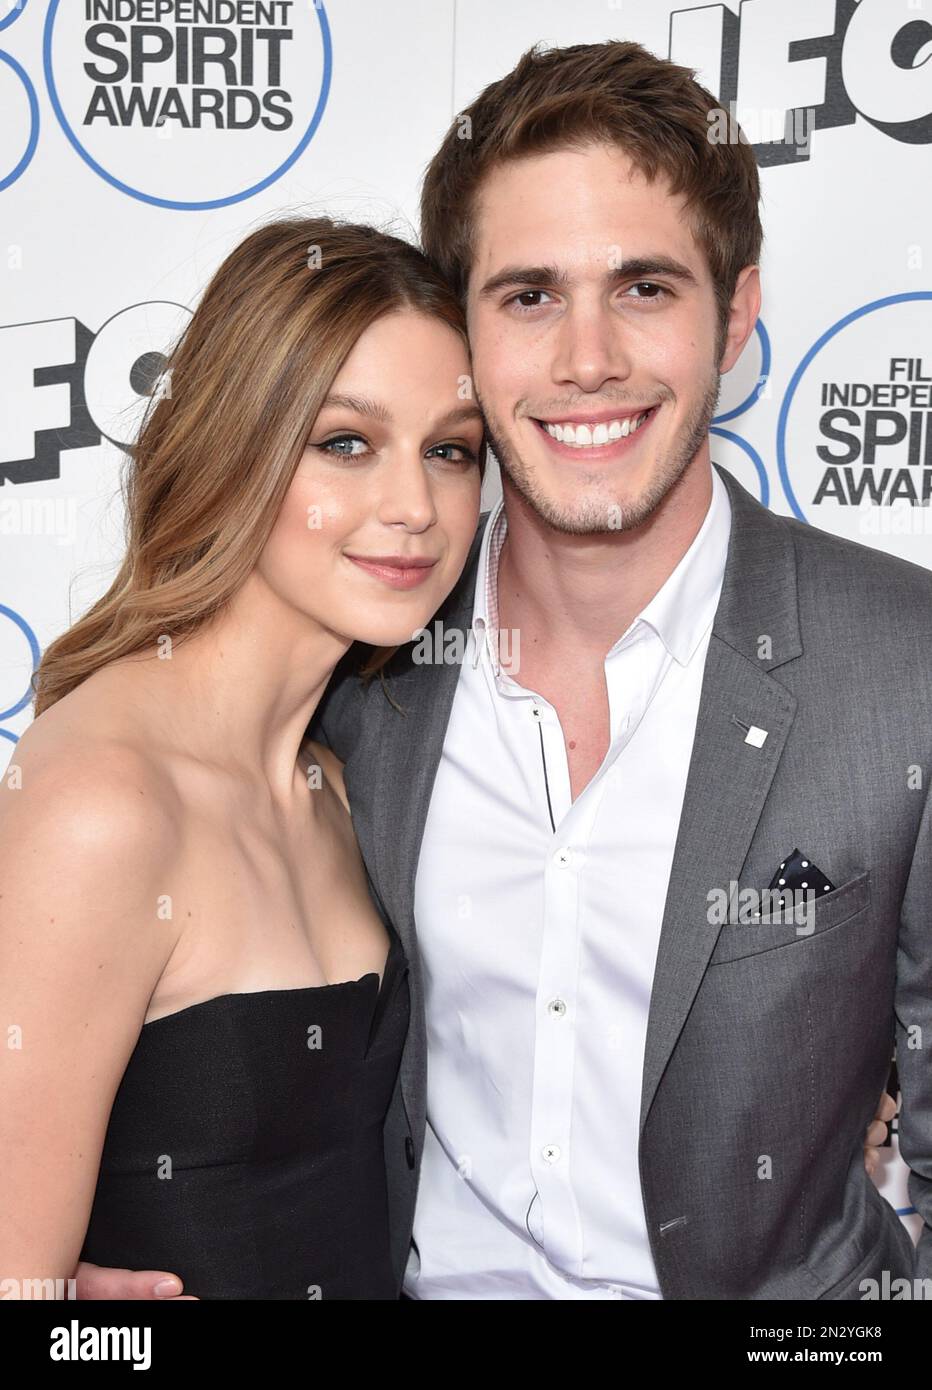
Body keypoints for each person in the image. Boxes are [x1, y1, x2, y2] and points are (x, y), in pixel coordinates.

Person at [72, 41, 909, 1302]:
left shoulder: (901, 663)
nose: (585, 360)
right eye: (526, 295)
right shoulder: (356, 654)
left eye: (641, 287)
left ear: (733, 315)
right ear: (460, 328)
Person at [0, 217, 486, 1298]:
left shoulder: (343, 780)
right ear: (237, 440)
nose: (413, 508)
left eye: (450, 449)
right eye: (346, 442)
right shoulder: (101, 803)